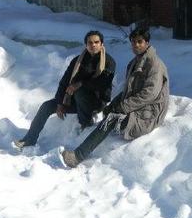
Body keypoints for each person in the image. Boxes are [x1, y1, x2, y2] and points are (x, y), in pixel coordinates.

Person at [60, 26, 169, 168]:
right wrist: (113, 104)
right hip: (140, 107)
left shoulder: (154, 64)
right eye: (133, 42)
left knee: (112, 119)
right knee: (110, 112)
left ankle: (77, 156)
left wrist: (123, 106)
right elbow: (128, 90)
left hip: (150, 113)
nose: (136, 45)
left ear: (147, 43)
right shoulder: (136, 62)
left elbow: (149, 94)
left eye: (140, 42)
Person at [13, 30, 116, 151]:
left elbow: (102, 83)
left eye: (96, 42)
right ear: (86, 44)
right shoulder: (78, 61)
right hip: (75, 100)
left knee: (79, 91)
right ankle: (29, 139)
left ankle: (86, 124)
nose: (93, 45)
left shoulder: (108, 62)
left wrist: (80, 84)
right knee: (47, 106)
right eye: (90, 42)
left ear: (102, 44)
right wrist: (60, 103)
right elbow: (65, 81)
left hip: (97, 101)